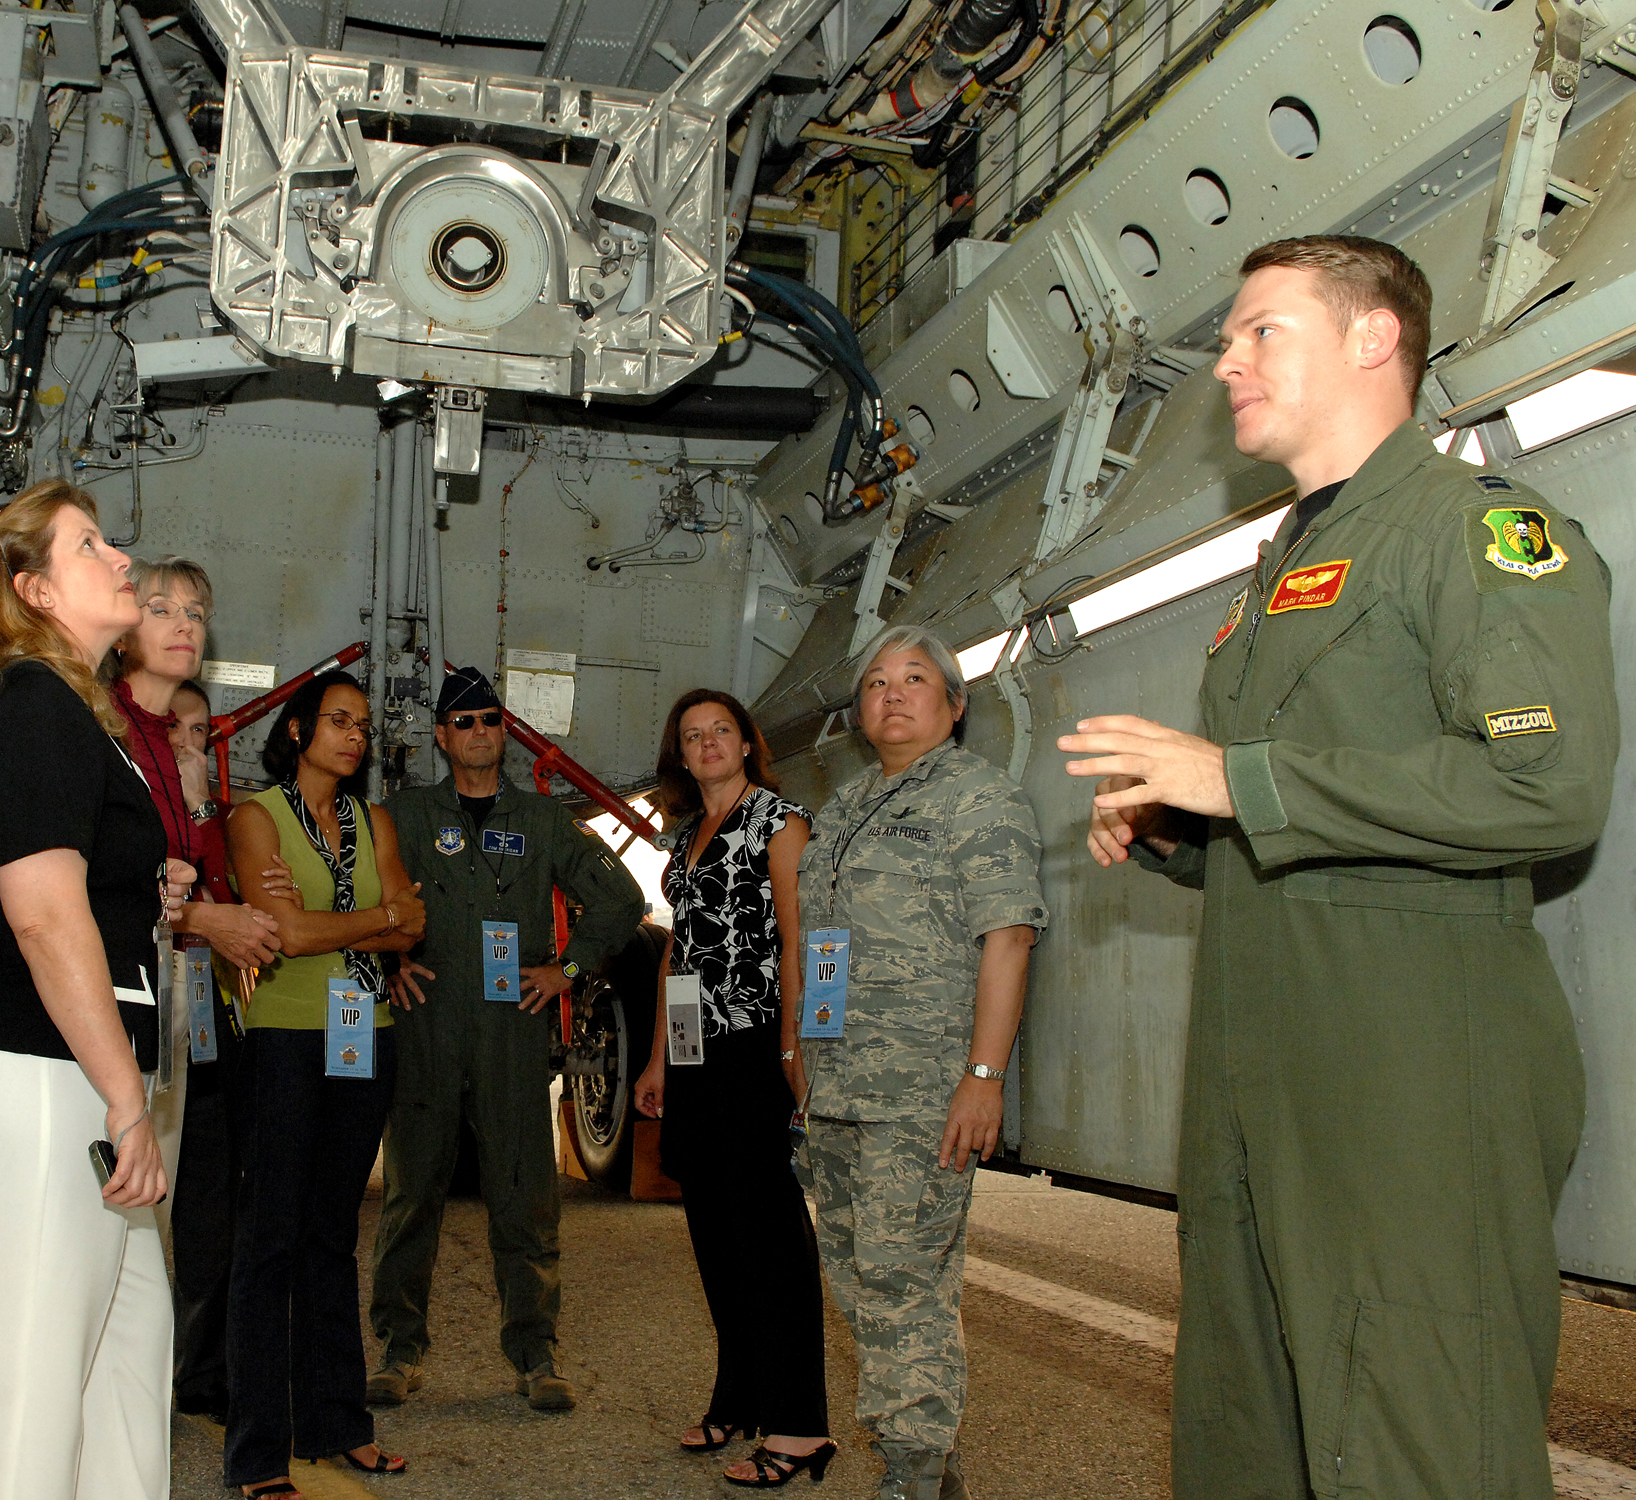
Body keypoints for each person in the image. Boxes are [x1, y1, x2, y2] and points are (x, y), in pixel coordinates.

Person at [1060, 235, 1617, 1500]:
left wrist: (1240, 781)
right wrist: (1180, 830)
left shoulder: (1477, 532)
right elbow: (1312, 814)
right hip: (1262, 1067)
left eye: (1262, 331)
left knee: (1417, 1429)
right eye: (1227, 338)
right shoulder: (1282, 567)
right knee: (1249, 1426)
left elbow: (1545, 783)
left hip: (1408, 1071)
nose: (1226, 362)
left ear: (1374, 338)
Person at [0, 481, 196, 1500]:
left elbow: (63, 888)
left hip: (55, 1062)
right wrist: (126, 1101)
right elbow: (41, 915)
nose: (122, 559)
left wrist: (142, 886)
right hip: (29, 1066)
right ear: (34, 590)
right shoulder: (34, 706)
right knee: (27, 1383)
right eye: (90, 547)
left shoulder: (69, 712)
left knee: (126, 1350)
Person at [798, 624, 1045, 1500]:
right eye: (875, 682)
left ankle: (911, 1472)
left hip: (920, 1092)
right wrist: (802, 1060)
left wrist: (983, 1080)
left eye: (913, 679)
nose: (891, 694)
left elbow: (1008, 939)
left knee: (901, 1279)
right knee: (857, 1276)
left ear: (955, 702)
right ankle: (928, 1459)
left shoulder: (979, 799)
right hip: (838, 1086)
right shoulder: (844, 807)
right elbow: (818, 945)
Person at [366, 666, 646, 1413]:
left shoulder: (544, 821)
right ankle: (399, 1348)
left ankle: (535, 1351)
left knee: (524, 1199)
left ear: (503, 731)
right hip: (426, 1031)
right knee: (411, 1197)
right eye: (463, 722)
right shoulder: (405, 816)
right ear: (441, 736)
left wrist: (568, 970)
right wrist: (387, 963)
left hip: (511, 1036)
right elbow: (358, 898)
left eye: (490, 719)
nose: (479, 732)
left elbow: (621, 899)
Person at [222, 670, 426, 1499]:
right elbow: (288, 936)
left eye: (363, 726)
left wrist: (344, 925)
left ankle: (337, 1423)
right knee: (270, 1239)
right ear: (299, 730)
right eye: (339, 721)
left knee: (332, 1236)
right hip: (283, 1040)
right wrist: (378, 919)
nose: (355, 736)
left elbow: (414, 924)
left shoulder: (373, 821)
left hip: (364, 1038)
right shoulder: (256, 818)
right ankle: (258, 1453)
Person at [632, 689, 833, 1487]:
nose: (708, 743)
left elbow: (800, 940)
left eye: (721, 730)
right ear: (679, 755)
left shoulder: (780, 824)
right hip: (694, 1053)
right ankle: (739, 1397)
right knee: (715, 1231)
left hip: (756, 1048)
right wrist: (658, 1060)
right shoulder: (686, 838)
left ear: (747, 743)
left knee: (771, 1236)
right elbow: (679, 956)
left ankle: (800, 1426)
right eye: (693, 735)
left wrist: (794, 1046)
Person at [107, 556, 284, 1423]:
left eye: (196, 612)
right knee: (121, 1220)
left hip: (192, 1020)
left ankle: (189, 1374)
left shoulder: (197, 794)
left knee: (195, 1203)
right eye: (161, 608)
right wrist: (211, 917)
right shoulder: (105, 737)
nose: (184, 623)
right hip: (120, 1012)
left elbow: (217, 883)